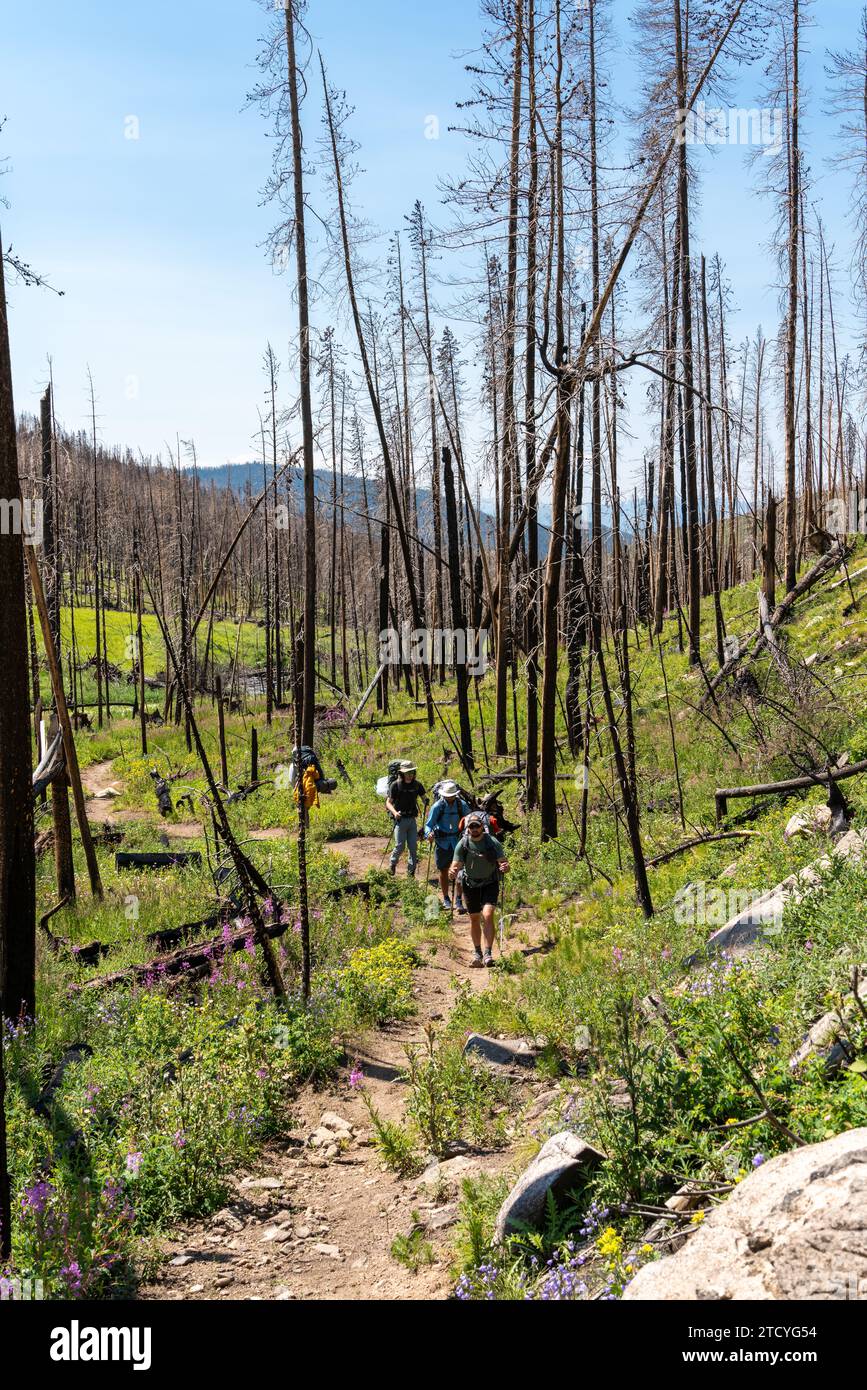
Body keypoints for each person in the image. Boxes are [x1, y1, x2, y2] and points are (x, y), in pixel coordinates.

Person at [449, 812, 509, 967]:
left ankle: (488, 953)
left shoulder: (492, 842)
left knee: (488, 914)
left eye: (477, 826)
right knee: (474, 918)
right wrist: (452, 871)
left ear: (483, 827)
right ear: (467, 828)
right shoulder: (463, 844)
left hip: (490, 882)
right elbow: (455, 865)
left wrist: (505, 867)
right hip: (470, 884)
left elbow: (503, 862)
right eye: (471, 826)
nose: (474, 829)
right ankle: (477, 952)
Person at [424, 780, 470, 911]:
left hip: (458, 842)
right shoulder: (438, 806)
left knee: (460, 872)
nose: (450, 797)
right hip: (442, 842)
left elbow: (469, 818)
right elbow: (428, 825)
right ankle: (446, 898)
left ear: (456, 795)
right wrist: (429, 834)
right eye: (448, 795)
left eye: (452, 795)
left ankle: (459, 900)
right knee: (443, 870)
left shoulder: (462, 805)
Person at [385, 761, 427, 877]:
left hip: (412, 819)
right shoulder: (396, 785)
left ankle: (411, 872)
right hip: (400, 820)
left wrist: (425, 801)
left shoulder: (417, 785)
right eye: (407, 772)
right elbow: (388, 803)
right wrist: (394, 813)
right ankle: (392, 864)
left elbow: (424, 797)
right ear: (402, 773)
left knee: (413, 847)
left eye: (412, 772)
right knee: (400, 846)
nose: (410, 774)